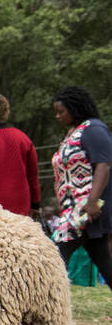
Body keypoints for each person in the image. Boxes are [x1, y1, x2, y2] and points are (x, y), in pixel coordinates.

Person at [49, 86, 112, 287]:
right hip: (74, 210)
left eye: (61, 112)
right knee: (105, 262)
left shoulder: (93, 129)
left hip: (86, 210)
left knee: (53, 255)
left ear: (75, 108)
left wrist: (93, 202)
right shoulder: (73, 133)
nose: (58, 116)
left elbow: (104, 164)